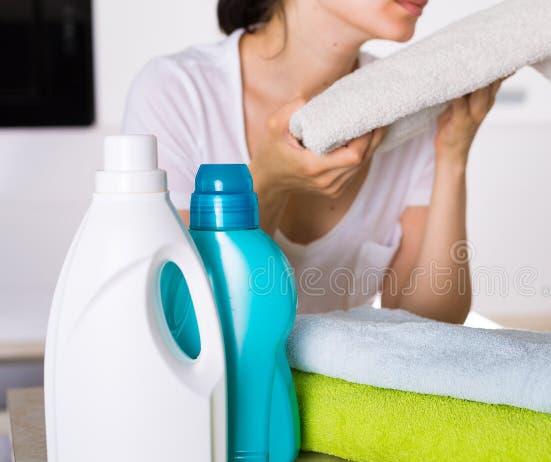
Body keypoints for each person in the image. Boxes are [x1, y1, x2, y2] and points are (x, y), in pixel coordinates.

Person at [123, 0, 500, 323]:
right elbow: (183, 313)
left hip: (336, 403)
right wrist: (268, 183)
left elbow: (427, 325)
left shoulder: (408, 111)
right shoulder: (176, 93)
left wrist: (452, 155)